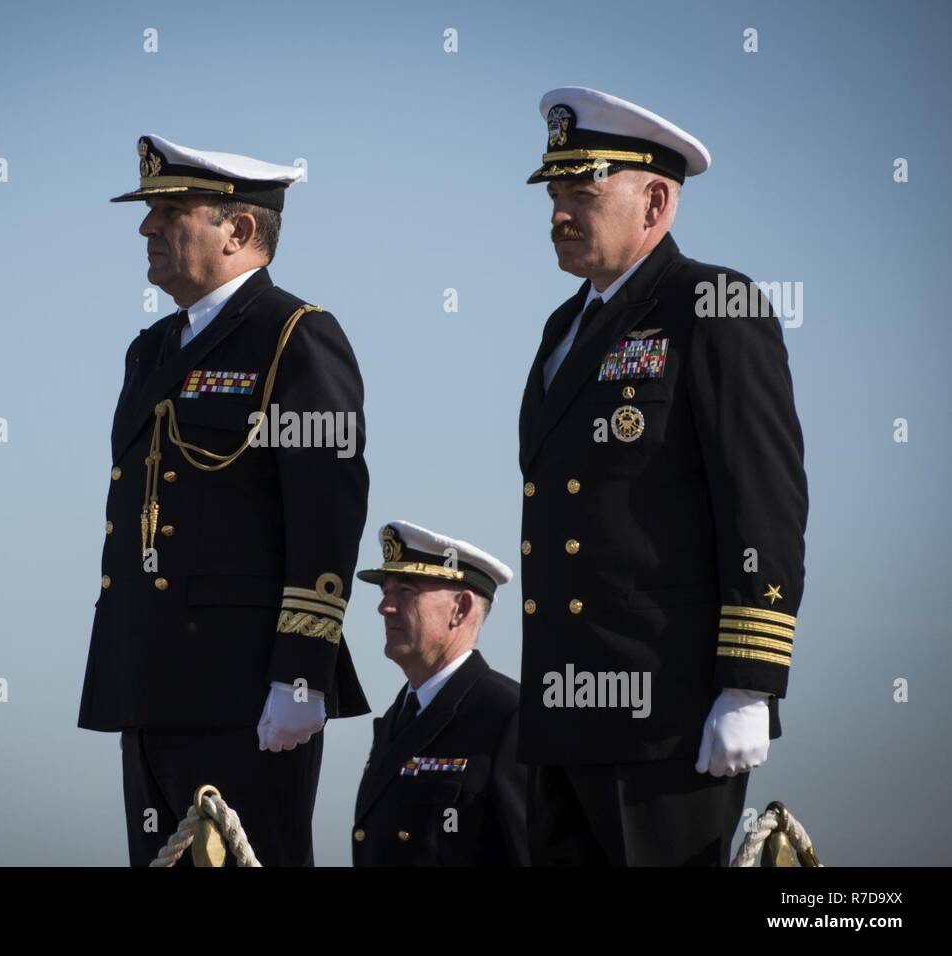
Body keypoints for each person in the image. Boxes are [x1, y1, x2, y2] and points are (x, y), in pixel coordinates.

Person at [517, 88, 809, 865]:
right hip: (564, 710)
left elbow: (763, 503)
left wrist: (751, 681)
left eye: (582, 193)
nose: (558, 214)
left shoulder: (712, 304)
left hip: (667, 712)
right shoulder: (564, 326)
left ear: (655, 202)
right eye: (554, 194)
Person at [77, 134, 370, 866]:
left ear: (238, 230)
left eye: (170, 210)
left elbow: (326, 511)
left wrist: (301, 672)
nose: (147, 227)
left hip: (245, 692)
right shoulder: (150, 350)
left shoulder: (295, 338)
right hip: (147, 681)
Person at [351, 521, 529, 866]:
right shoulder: (399, 716)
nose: (385, 607)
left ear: (460, 608)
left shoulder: (508, 716)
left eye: (405, 591)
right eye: (384, 592)